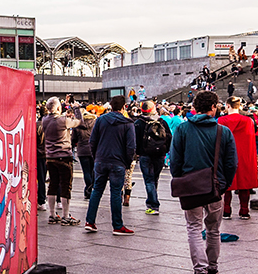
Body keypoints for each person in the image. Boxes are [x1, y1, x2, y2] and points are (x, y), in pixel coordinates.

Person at [169, 90, 237, 274]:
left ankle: (199, 270)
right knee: (213, 229)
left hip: (190, 186)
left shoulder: (183, 129)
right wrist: (224, 185)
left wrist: (181, 179)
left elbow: (175, 160)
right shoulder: (223, 131)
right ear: (213, 108)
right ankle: (213, 267)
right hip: (215, 187)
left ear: (195, 108)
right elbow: (232, 163)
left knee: (193, 227)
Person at [85, 95, 138, 235]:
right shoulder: (128, 123)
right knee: (115, 193)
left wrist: (96, 157)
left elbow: (92, 141)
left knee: (97, 190)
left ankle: (90, 222)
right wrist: (127, 162)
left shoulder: (101, 120)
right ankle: (117, 225)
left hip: (101, 160)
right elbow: (131, 146)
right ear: (124, 107)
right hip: (118, 162)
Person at [216, 97, 258, 220]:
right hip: (245, 155)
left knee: (226, 185)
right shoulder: (248, 121)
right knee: (244, 184)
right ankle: (244, 210)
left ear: (228, 105)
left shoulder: (221, 120)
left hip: (227, 155)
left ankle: (226, 210)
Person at [39, 98, 81, 225]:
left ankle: (52, 215)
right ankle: (65, 216)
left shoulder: (44, 120)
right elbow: (79, 122)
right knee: (65, 186)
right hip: (64, 156)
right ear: (58, 108)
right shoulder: (63, 120)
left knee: (53, 184)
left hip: (50, 156)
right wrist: (77, 108)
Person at [134, 102, 171, 215]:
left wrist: (137, 153)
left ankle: (153, 205)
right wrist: (165, 151)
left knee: (148, 180)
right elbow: (169, 137)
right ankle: (152, 201)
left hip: (145, 155)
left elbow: (135, 140)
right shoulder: (162, 122)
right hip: (159, 155)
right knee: (155, 179)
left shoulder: (139, 123)